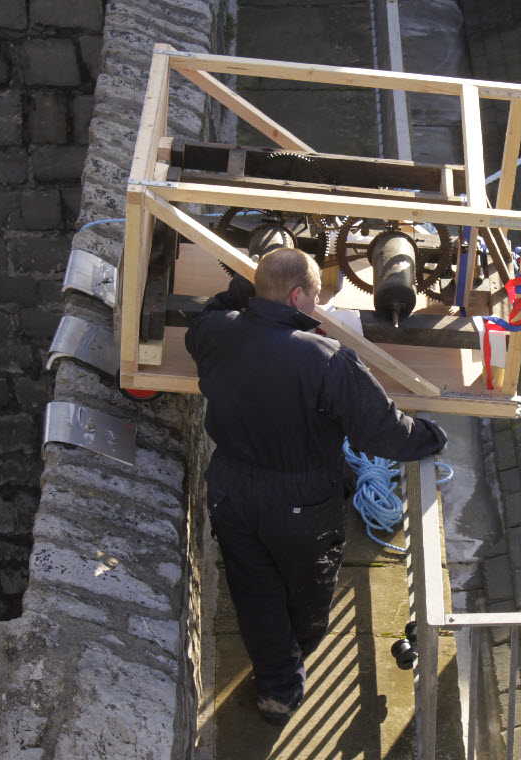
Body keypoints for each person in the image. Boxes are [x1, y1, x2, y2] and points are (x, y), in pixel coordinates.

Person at [185, 247, 447, 724]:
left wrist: (244, 288)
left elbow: (204, 319)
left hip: (232, 491)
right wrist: (430, 436)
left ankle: (277, 690)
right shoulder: (326, 359)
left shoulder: (218, 333)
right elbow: (381, 432)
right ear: (296, 296)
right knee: (309, 597)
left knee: (254, 590)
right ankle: (292, 659)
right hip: (301, 504)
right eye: (315, 296)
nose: (319, 305)